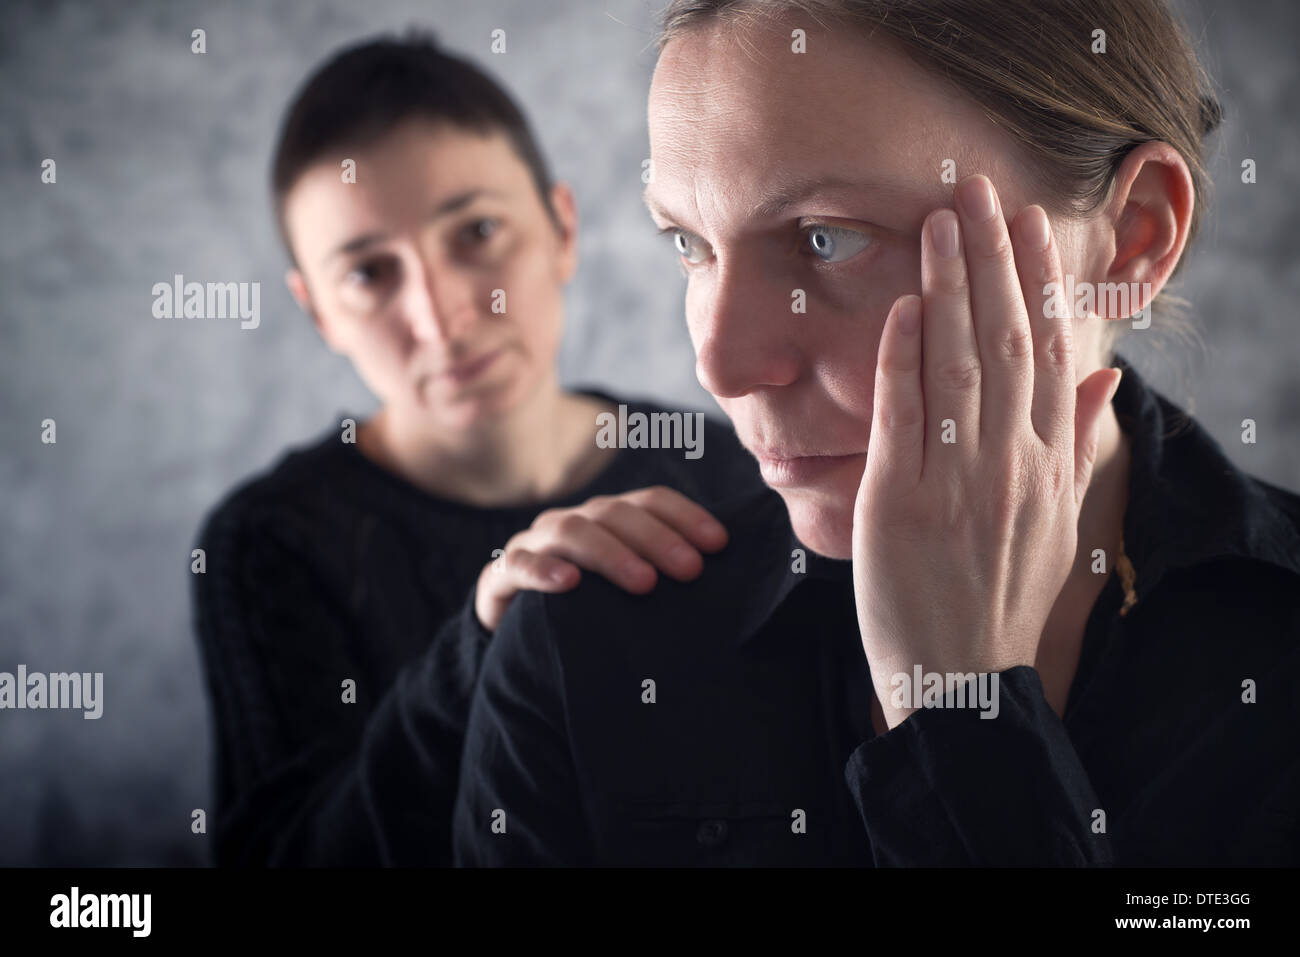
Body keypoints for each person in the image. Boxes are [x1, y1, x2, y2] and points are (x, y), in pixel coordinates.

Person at [454, 0, 1300, 866]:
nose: (721, 364)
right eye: (689, 242)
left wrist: (957, 713)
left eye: (827, 238)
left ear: (1130, 240)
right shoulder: (586, 648)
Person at [190, 32, 764, 866]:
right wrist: (485, 648)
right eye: (369, 274)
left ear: (562, 229)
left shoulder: (724, 465)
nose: (442, 314)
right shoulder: (264, 544)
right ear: (318, 313)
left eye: (478, 231)